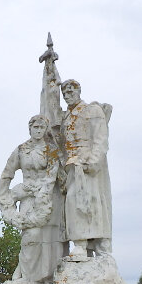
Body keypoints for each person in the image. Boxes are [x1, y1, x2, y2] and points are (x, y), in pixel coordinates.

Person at [0, 114, 68, 284]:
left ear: (45, 130)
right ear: (30, 128)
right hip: (27, 195)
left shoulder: (51, 150)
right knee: (31, 235)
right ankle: (27, 277)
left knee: (50, 238)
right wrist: (4, 197)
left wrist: (42, 194)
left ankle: (47, 278)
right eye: (35, 127)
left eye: (41, 128)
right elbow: (7, 174)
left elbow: (51, 177)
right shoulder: (21, 150)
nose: (38, 130)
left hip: (48, 195)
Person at [59, 79, 112, 259]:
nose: (67, 95)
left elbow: (100, 138)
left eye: (70, 91)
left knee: (94, 203)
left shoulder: (92, 110)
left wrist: (94, 161)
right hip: (72, 166)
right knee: (74, 204)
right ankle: (80, 243)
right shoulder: (66, 117)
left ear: (78, 91)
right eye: (64, 93)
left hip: (89, 165)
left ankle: (100, 244)